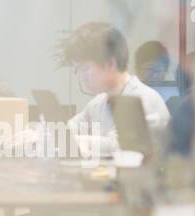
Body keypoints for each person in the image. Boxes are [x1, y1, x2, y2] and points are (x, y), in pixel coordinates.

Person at [58, 22, 170, 158]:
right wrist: (40, 133)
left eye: (84, 68)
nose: (81, 77)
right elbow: (71, 128)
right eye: (77, 69)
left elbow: (120, 146)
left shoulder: (143, 99)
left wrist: (82, 141)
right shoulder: (98, 103)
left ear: (110, 63)